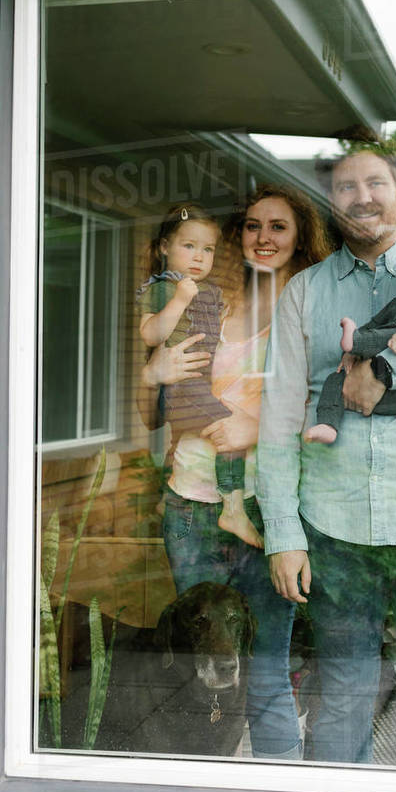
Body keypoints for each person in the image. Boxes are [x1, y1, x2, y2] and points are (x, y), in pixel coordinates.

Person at [257, 141, 396, 768]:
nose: (362, 197)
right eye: (346, 186)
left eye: (375, 183)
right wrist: (282, 533)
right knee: (342, 691)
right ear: (331, 200)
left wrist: (391, 368)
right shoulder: (305, 294)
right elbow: (281, 414)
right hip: (334, 524)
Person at [139, 185, 331, 760]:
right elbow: (162, 397)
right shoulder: (209, 303)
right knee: (203, 669)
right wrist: (154, 372)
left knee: (266, 668)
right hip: (190, 504)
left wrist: (263, 425)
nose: (263, 237)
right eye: (252, 226)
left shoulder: (313, 309)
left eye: (278, 226)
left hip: (266, 509)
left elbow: (339, 402)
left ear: (300, 238)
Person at [138, 203, 262, 548]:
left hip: (199, 388)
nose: (199, 257)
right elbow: (150, 334)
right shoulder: (161, 287)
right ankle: (233, 509)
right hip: (183, 390)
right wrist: (179, 300)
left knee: (230, 435)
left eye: (207, 249)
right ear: (164, 247)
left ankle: (232, 506)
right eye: (188, 246)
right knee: (231, 432)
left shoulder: (208, 290)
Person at [304, 229, 396, 445]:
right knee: (335, 378)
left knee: (390, 334)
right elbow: (375, 324)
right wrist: (352, 352)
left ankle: (355, 340)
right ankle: (328, 424)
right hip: (375, 392)